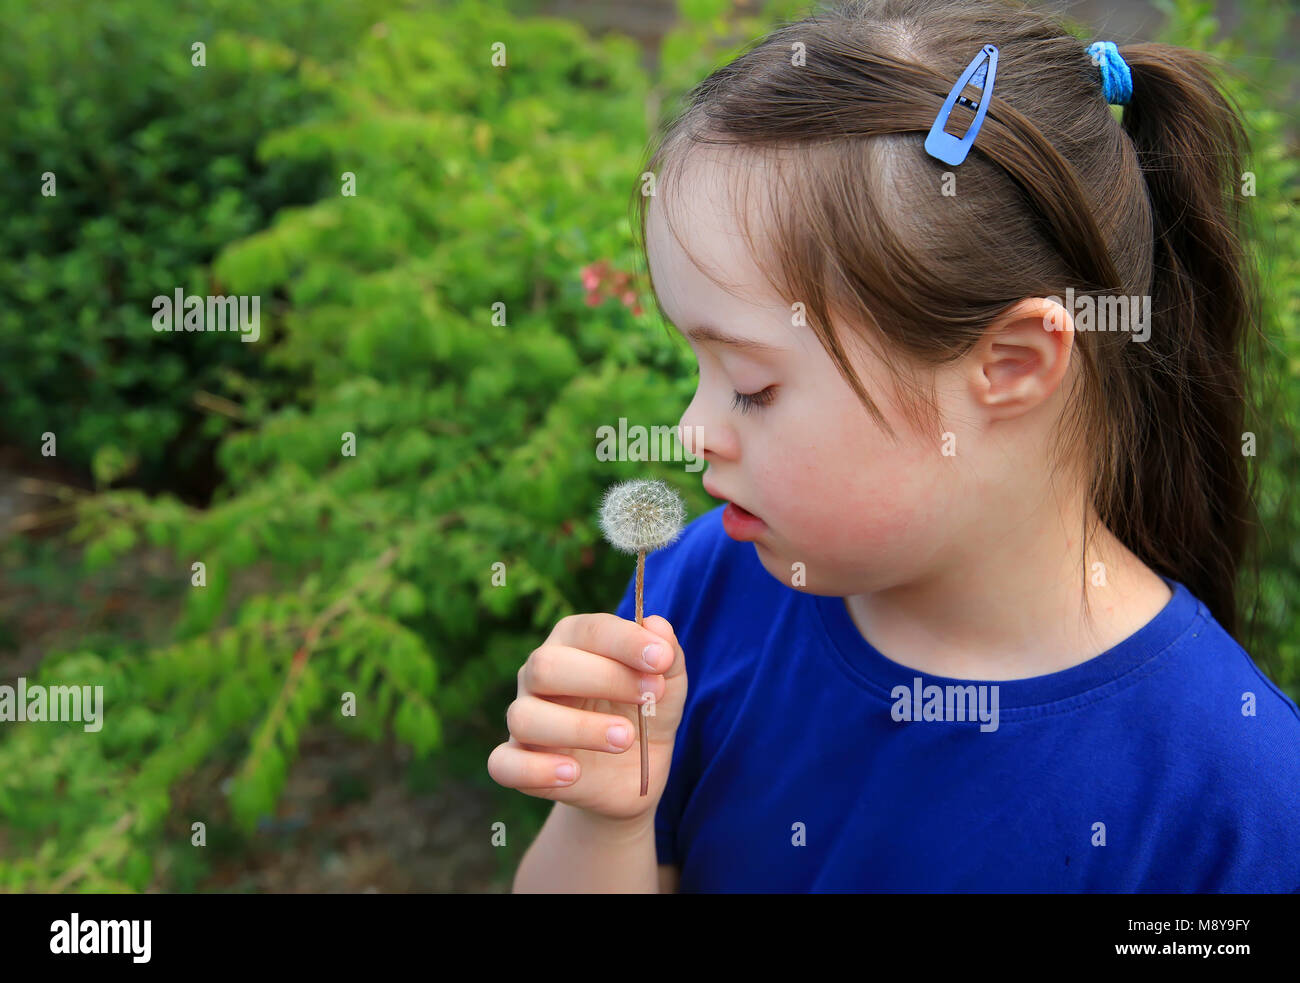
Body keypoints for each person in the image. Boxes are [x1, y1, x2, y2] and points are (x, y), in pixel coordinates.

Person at [494, 0, 1300, 892]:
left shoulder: (1237, 803)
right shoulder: (704, 593)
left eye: (752, 386)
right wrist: (605, 817)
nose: (691, 430)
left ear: (1014, 364)